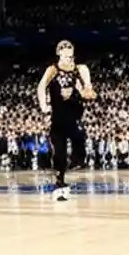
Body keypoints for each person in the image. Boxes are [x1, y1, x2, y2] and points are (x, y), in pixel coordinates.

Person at [36, 40, 96, 201]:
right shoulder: (53, 70)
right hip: (57, 116)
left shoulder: (81, 69)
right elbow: (41, 86)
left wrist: (80, 93)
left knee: (78, 143)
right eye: (65, 52)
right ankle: (59, 183)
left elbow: (89, 90)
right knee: (59, 152)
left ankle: (76, 163)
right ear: (59, 54)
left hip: (74, 113)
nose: (69, 56)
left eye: (70, 52)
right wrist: (44, 104)